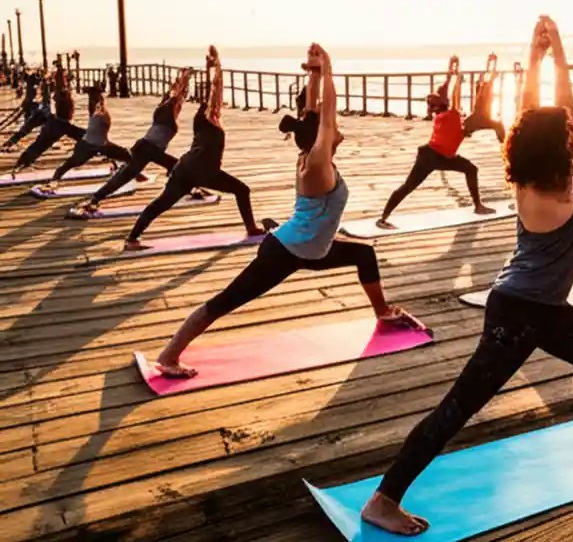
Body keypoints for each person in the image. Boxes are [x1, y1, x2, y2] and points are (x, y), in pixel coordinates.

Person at [359, 16, 573, 536]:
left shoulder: (546, 180)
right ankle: (383, 500)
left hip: (544, 308)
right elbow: (546, 107)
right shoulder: (545, 190)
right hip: (518, 313)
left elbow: (548, 108)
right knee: (459, 407)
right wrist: (549, 52)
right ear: (562, 149)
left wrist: (546, 51)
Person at [147, 45, 422, 378]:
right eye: (330, 127)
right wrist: (330, 68)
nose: (336, 127)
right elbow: (326, 114)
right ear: (323, 136)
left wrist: (315, 75)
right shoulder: (318, 162)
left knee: (364, 255)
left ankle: (382, 312)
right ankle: (169, 355)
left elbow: (312, 112)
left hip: (311, 248)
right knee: (226, 301)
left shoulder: (311, 152)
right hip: (285, 252)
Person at [123, 46, 265, 251]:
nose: (219, 105)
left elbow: (213, 92)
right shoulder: (210, 118)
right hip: (204, 171)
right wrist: (217, 66)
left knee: (161, 204)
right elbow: (214, 90)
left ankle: (132, 237)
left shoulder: (202, 120)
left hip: (185, 168)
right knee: (242, 190)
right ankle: (251, 228)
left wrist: (211, 68)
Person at [376, 56, 495, 229]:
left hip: (442, 156)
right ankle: (383, 218)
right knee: (409, 186)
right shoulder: (451, 114)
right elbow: (454, 95)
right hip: (431, 156)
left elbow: (447, 89)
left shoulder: (440, 114)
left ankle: (478, 206)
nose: (445, 98)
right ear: (443, 104)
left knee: (470, 169)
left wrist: (452, 70)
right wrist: (459, 80)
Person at [73, 68, 194, 218]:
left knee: (175, 167)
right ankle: (95, 198)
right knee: (126, 175)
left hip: (148, 148)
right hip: (149, 149)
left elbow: (175, 92)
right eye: (180, 100)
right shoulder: (168, 110)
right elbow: (177, 93)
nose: (182, 102)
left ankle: (191, 188)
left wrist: (180, 80)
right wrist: (185, 77)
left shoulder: (164, 107)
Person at [36, 86, 132, 193]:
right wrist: (91, 94)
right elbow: (93, 104)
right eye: (99, 100)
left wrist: (94, 93)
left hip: (102, 144)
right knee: (69, 164)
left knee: (127, 155)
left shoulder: (101, 111)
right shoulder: (96, 111)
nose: (100, 101)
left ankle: (126, 171)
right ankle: (53, 182)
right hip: (87, 145)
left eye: (101, 99)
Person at [6, 71, 85, 176]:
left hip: (61, 123)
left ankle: (20, 161)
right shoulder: (58, 93)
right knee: (38, 144)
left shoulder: (60, 92)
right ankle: (20, 162)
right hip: (57, 122)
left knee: (38, 144)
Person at [461, 53, 506, 143]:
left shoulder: (481, 89)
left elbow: (487, 77)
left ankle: (466, 132)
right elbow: (489, 77)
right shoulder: (484, 89)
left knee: (465, 126)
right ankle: (503, 141)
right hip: (482, 119)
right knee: (499, 126)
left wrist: (490, 63)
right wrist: (492, 63)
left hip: (477, 118)